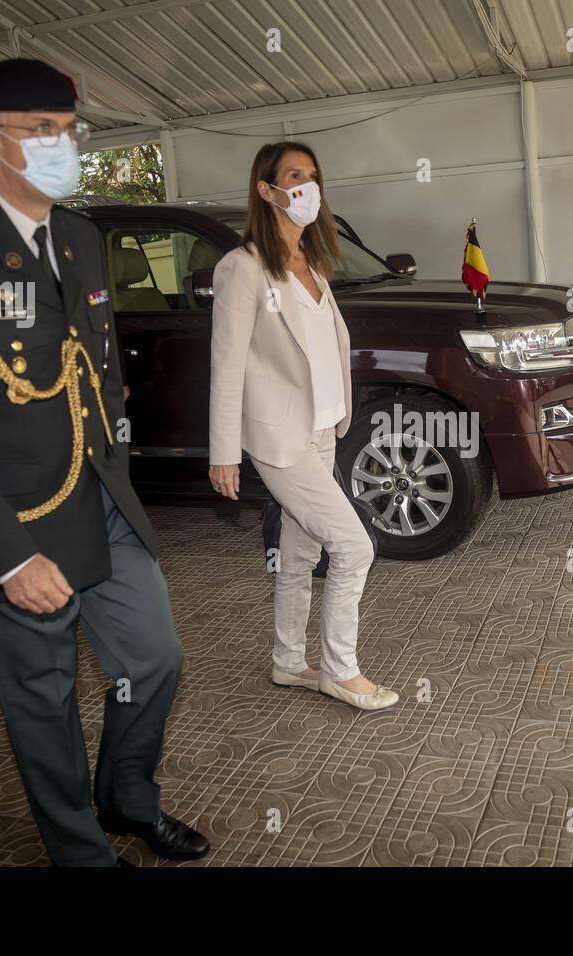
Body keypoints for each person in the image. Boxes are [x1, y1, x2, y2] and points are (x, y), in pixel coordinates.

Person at [0, 58, 207, 866]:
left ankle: (127, 798)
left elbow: (100, 374)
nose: (62, 146)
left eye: (67, 130)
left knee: (155, 658)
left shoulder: (81, 237)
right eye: (42, 131)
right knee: (42, 700)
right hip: (14, 519)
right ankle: (81, 854)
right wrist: (4, 552)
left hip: (99, 500)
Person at [208, 141, 398, 712]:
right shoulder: (241, 268)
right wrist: (223, 451)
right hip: (278, 437)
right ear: (267, 190)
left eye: (313, 176)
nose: (307, 187)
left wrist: (338, 413)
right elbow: (227, 361)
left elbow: (325, 344)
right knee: (354, 546)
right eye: (295, 177)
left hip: (321, 431)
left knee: (297, 554)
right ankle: (341, 670)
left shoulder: (312, 264)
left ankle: (289, 662)